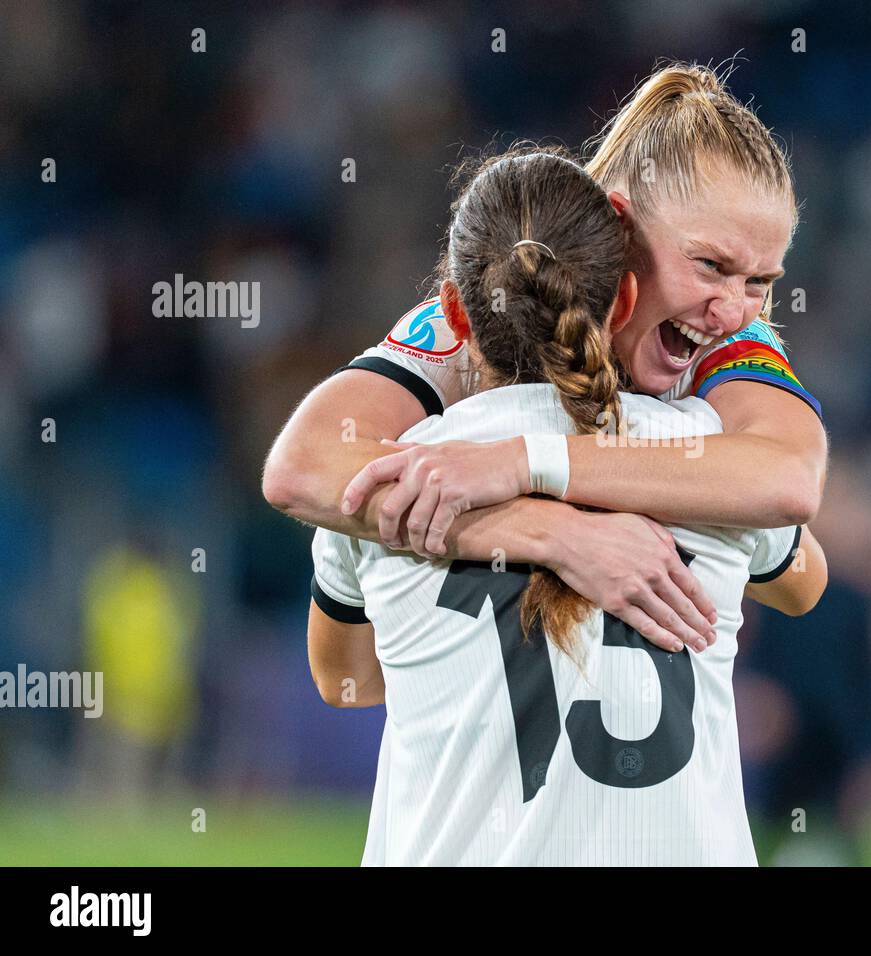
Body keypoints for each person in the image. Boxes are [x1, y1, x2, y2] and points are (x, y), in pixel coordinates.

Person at [307, 149, 826, 864]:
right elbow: (806, 578)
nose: (736, 306)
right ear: (621, 301)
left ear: (454, 310)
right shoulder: (708, 461)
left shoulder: (400, 474)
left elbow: (348, 682)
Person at [264, 62, 828, 654]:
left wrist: (521, 466)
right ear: (620, 223)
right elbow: (299, 468)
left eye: (762, 281)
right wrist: (551, 533)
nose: (734, 310)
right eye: (709, 265)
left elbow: (792, 502)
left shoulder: (732, 342)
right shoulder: (479, 315)